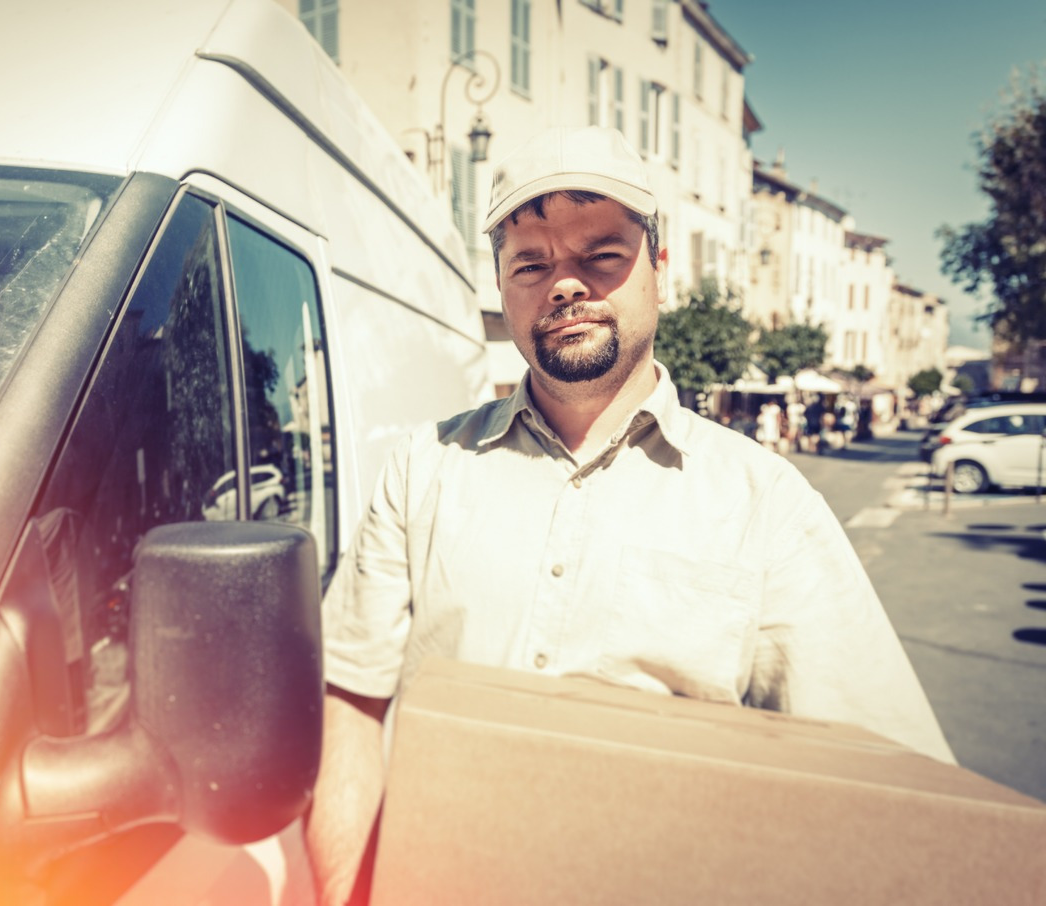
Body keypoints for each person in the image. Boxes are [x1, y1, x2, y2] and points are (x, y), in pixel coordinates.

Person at [303, 126, 953, 906]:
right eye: (531, 264)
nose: (564, 285)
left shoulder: (765, 505)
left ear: (659, 271)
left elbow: (890, 782)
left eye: (600, 256)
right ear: (504, 289)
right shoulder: (421, 472)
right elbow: (351, 704)